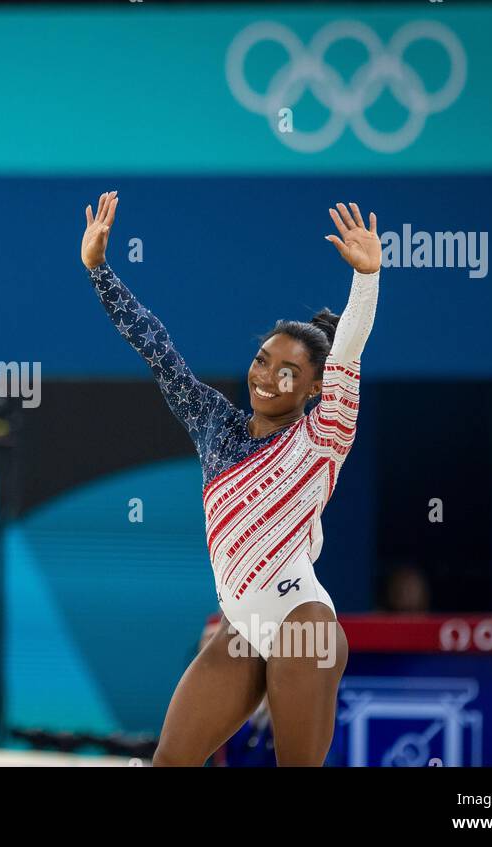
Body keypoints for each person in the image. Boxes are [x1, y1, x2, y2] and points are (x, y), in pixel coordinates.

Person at [80, 191, 380, 766]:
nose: (267, 377)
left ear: (313, 388)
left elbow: (348, 352)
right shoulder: (216, 425)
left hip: (304, 629)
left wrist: (365, 280)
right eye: (263, 359)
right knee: (170, 761)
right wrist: (99, 270)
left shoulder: (323, 436)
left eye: (288, 372)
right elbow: (158, 349)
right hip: (241, 629)